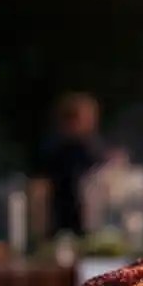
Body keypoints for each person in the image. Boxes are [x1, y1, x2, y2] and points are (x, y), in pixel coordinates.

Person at [38, 92, 107, 236]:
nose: (91, 123)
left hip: (93, 220)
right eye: (86, 118)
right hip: (62, 220)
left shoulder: (93, 146)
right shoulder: (57, 150)